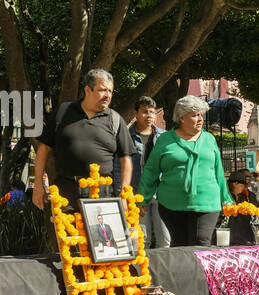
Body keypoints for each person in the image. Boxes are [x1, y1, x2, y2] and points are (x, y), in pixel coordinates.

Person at [136, 95, 232, 247]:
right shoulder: (165, 140)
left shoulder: (209, 139)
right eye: (194, 115)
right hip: (172, 204)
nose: (200, 119)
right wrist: (142, 198)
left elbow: (218, 171)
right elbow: (151, 171)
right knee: (179, 245)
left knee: (201, 242)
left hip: (207, 203)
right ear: (181, 117)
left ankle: (199, 272)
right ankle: (180, 272)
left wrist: (226, 199)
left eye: (201, 114)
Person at [32, 68, 135, 211]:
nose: (108, 95)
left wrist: (125, 195)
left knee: (102, 234)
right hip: (66, 192)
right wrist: (38, 185)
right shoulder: (63, 112)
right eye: (102, 90)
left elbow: (126, 159)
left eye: (110, 91)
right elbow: (44, 148)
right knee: (66, 233)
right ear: (88, 90)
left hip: (101, 193)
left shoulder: (115, 119)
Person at [126, 96, 170, 249]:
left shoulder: (164, 136)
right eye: (144, 112)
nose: (149, 116)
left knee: (165, 239)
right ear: (135, 113)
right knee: (140, 240)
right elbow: (119, 167)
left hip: (161, 194)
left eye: (152, 112)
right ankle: (141, 271)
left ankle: (162, 272)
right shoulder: (126, 136)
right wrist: (124, 194)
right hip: (137, 194)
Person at [226, 171, 258, 246]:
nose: (243, 188)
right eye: (242, 185)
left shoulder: (241, 196)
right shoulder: (226, 197)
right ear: (235, 184)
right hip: (229, 235)